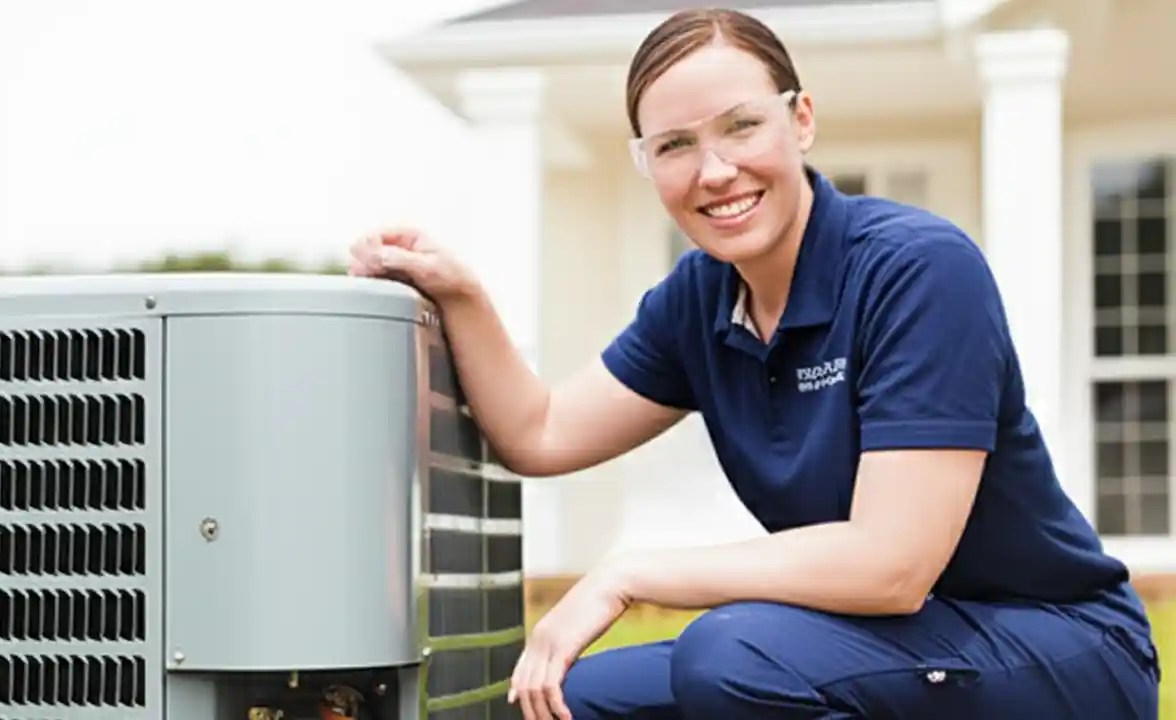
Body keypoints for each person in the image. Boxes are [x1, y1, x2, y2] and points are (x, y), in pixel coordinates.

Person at [349, 7, 1162, 719]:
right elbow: (542, 431)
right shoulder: (697, 302)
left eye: (741, 126)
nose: (714, 172)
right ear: (647, 165)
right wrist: (461, 294)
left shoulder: (917, 270)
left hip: (1062, 650)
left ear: (800, 119)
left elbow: (893, 565)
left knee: (731, 658)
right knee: (574, 701)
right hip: (882, 646)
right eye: (675, 145)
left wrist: (630, 573)